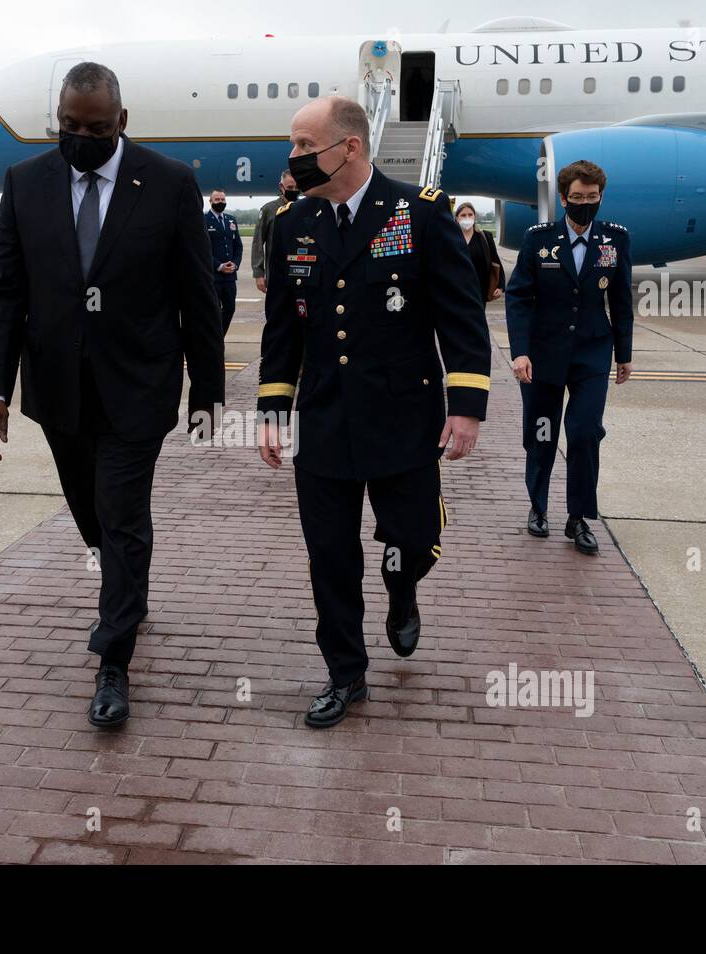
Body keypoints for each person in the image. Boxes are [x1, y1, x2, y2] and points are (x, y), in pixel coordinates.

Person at [0, 62, 223, 729]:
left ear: (123, 121)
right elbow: (4, 289)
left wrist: (207, 391)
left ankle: (114, 657)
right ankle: (128, 587)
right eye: (69, 126)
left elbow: (197, 295)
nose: (81, 138)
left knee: (120, 514)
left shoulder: (169, 182)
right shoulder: (26, 181)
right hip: (57, 386)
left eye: (96, 128)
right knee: (92, 514)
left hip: (139, 385)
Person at [257, 96, 491, 728]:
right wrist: (273, 407)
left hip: (404, 414)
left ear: (350, 147)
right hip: (324, 418)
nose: (294, 157)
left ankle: (403, 586)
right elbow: (282, 327)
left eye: (305, 146)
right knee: (329, 554)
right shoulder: (294, 222)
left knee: (411, 540)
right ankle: (345, 674)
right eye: (293, 145)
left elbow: (461, 316)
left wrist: (467, 406)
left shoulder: (420, 212)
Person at [504, 159, 633, 555]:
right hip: (543, 354)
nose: (585, 204)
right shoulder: (539, 239)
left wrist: (624, 353)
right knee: (542, 434)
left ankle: (578, 518)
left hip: (593, 351)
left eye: (592, 197)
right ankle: (538, 507)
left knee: (584, 432)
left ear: (601, 196)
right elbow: (518, 297)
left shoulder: (615, 240)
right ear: (563, 198)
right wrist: (520, 352)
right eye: (577, 197)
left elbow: (621, 298)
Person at [251, 170, 299, 294]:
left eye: (296, 187)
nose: (294, 190)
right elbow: (258, 242)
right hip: (277, 272)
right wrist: (258, 273)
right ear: (281, 187)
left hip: (301, 272)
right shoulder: (269, 210)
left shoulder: (305, 208)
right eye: (290, 187)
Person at [204, 188, 243, 333]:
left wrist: (235, 264)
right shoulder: (203, 220)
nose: (220, 202)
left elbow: (238, 246)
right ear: (210, 201)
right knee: (213, 311)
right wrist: (219, 266)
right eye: (217, 200)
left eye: (222, 200)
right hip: (213, 275)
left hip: (230, 276)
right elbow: (202, 249)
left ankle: (219, 338)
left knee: (230, 309)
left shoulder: (231, 219)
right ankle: (215, 340)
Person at [455, 201, 505, 302]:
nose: (467, 218)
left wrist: (500, 286)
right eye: (463, 215)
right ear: (456, 218)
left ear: (474, 217)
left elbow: (496, 261)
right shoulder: (451, 238)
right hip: (456, 291)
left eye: (470, 215)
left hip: (479, 292)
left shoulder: (485, 237)